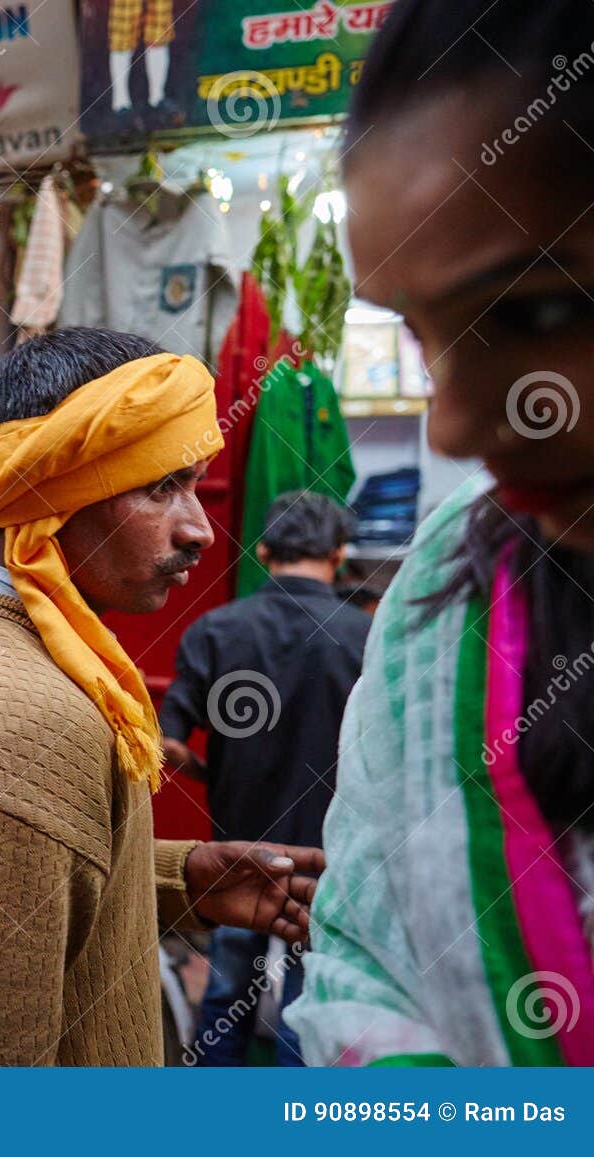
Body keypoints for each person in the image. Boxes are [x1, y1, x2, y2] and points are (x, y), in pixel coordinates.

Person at [0, 327, 324, 1066]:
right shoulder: (27, 722)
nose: (202, 530)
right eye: (160, 486)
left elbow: (13, 892)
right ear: (53, 493)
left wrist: (180, 878)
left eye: (193, 483)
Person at [287, 0, 594, 1067]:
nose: (452, 424)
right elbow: (365, 956)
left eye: (539, 311)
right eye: (417, 333)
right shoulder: (442, 602)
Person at [160, 490, 371, 1066]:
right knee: (311, 996)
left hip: (240, 849)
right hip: (329, 857)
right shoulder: (365, 637)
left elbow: (167, 744)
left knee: (229, 986)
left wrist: (212, 773)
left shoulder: (216, 631)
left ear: (263, 550)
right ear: (338, 552)